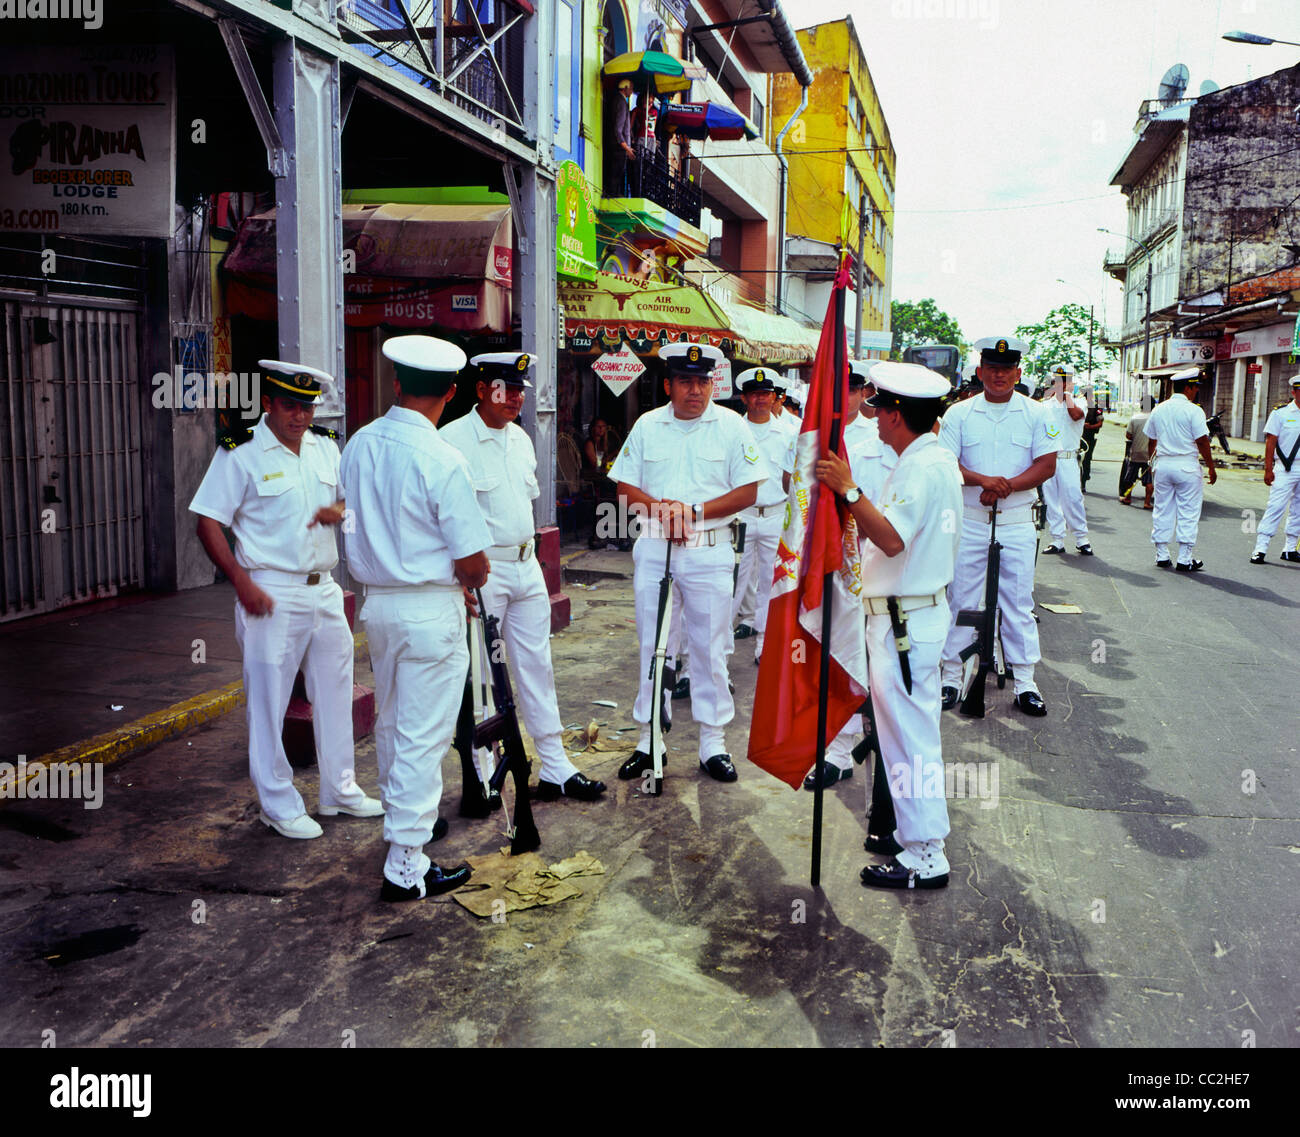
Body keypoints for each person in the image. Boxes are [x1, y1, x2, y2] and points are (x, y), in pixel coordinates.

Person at [190, 361, 382, 841]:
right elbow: (208, 521)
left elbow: (347, 504)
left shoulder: (324, 447)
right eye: (290, 406)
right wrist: (240, 581)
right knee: (268, 700)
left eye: (307, 405)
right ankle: (276, 803)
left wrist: (335, 512)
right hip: (270, 590)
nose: (299, 416)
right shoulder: (241, 451)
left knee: (336, 692)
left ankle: (339, 789)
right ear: (268, 404)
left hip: (325, 589)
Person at [340, 335, 487, 901]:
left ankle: (404, 827)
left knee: (396, 722)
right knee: (424, 735)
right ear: (451, 394)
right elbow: (473, 562)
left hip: (377, 604)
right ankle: (407, 866)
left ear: (396, 384)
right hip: (431, 606)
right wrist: (466, 580)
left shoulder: (357, 444)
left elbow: (347, 525)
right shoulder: (445, 458)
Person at [815, 362, 962, 889]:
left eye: (880, 411)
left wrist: (851, 492)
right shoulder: (932, 457)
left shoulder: (921, 468)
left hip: (905, 621)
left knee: (910, 741)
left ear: (898, 415)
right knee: (907, 738)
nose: (874, 421)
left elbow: (893, 539)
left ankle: (926, 854)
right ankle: (916, 842)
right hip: (910, 615)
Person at [440, 352, 606, 802]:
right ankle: (484, 771)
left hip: (526, 563)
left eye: (519, 391)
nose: (514, 398)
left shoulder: (522, 440)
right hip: (483, 570)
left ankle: (555, 765)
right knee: (483, 674)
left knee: (537, 666)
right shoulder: (451, 440)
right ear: (481, 390)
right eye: (504, 389)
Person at [610, 342, 766, 784]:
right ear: (668, 385)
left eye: (702, 381)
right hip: (656, 546)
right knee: (653, 644)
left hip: (709, 549)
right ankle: (649, 740)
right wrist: (665, 512)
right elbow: (624, 487)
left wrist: (691, 513)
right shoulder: (647, 425)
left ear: (713, 383)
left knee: (709, 647)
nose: (694, 390)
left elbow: (748, 492)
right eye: (684, 381)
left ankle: (712, 743)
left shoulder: (732, 427)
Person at [938, 336, 1057, 717]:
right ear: (980, 372)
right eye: (992, 369)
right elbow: (947, 465)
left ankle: (1025, 682)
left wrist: (1004, 487)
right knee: (961, 599)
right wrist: (985, 482)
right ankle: (952, 676)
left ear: (1018, 373)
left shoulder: (1039, 413)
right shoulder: (959, 414)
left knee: (1018, 603)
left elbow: (1046, 465)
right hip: (971, 521)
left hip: (1017, 520)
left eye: (1006, 370)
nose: (999, 375)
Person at [804, 360, 897, 790]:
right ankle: (838, 752)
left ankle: (890, 761)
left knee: (890, 678)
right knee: (843, 659)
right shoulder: (856, 453)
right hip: (855, 574)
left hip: (902, 584)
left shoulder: (930, 461)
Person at [730, 367, 794, 664]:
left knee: (772, 584)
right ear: (744, 398)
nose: (761, 400)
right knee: (730, 583)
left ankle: (764, 646)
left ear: (775, 397)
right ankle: (720, 652)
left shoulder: (790, 432)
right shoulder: (731, 430)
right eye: (755, 394)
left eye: (766, 394)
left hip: (775, 515)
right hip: (739, 515)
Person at [1143, 367, 1217, 572]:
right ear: (1188, 388)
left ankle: (1162, 554)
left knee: (1162, 509)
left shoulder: (1159, 409)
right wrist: (1211, 467)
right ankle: (1185, 558)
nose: (1196, 392)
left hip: (1163, 464)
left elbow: (1152, 439)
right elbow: (1202, 440)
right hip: (1186, 464)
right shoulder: (1194, 410)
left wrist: (1152, 464)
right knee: (1188, 511)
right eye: (1195, 388)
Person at [1039, 363, 1093, 555]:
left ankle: (1081, 538)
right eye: (1059, 381)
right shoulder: (1045, 405)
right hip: (1050, 457)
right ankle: (1057, 539)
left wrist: (1067, 396)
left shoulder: (1080, 402)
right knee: (1051, 499)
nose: (1062, 384)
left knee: (1073, 497)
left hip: (1069, 457)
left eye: (1066, 381)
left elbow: (1077, 416)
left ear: (1072, 383)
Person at [1249, 375, 1300, 564]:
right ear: (1293, 392)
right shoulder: (1280, 414)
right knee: (1276, 507)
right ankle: (1260, 548)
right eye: (1299, 391)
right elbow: (1271, 442)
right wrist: (1267, 469)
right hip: (1285, 467)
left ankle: (1290, 548)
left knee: (1298, 509)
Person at [1120, 394, 1156, 509]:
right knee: (1149, 479)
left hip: (1135, 453)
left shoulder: (1134, 418)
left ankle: (1128, 498)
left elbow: (1128, 435)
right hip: (1150, 455)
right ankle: (1146, 502)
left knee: (1130, 477)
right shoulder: (1155, 418)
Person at [604, 80, 636, 197]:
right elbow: (618, 129)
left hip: (616, 146)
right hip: (618, 148)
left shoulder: (618, 100)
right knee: (616, 174)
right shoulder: (621, 103)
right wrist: (626, 147)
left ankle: (614, 193)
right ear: (625, 88)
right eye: (631, 88)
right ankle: (613, 194)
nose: (632, 92)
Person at [1079, 384, 1103, 489]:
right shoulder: (1078, 405)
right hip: (1077, 436)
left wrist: (1090, 426)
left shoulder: (1096, 408)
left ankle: (1084, 481)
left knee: (1086, 460)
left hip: (1088, 437)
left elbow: (1100, 423)